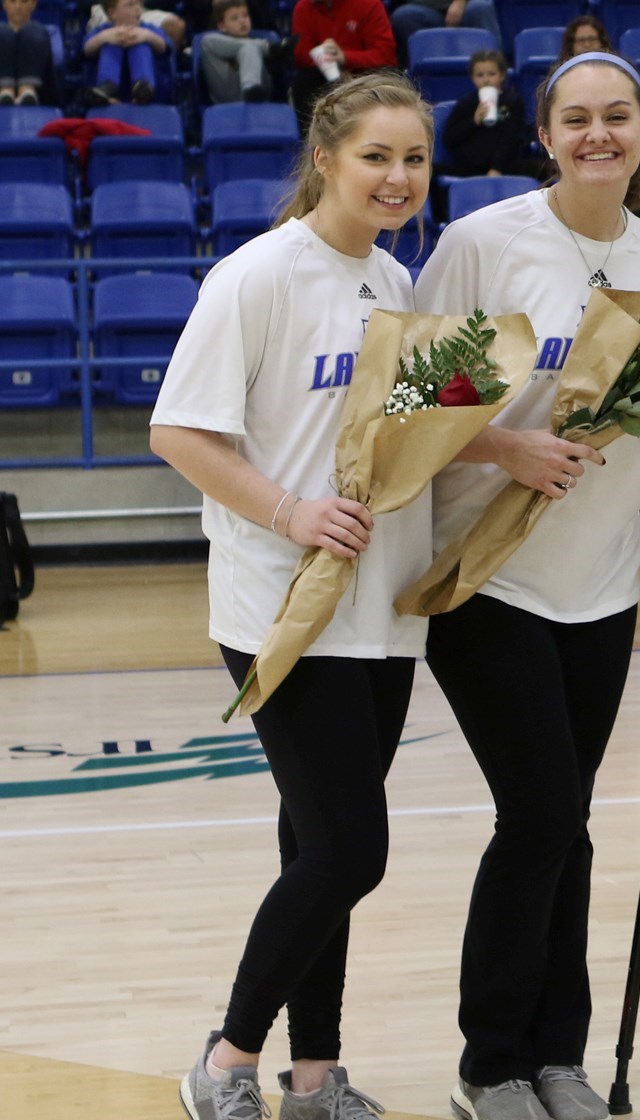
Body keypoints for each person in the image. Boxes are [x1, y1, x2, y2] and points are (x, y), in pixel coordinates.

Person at [415, 50, 640, 1120]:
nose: (597, 135)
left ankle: (556, 1056)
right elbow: (411, 405)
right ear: (543, 134)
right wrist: (506, 449)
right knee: (537, 815)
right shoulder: (482, 244)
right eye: (575, 119)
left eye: (616, 117)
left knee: (567, 821)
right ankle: (488, 1064)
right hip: (487, 574)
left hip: (603, 578)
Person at [148, 71, 433, 1120]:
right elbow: (179, 432)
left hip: (384, 610)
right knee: (353, 847)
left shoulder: (396, 286)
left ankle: (316, 1073)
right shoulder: (256, 276)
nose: (396, 178)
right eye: (375, 157)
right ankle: (224, 1058)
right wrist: (290, 513)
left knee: (317, 845)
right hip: (283, 606)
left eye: (412, 159)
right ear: (326, 159)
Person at [435, 49, 545, 220]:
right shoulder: (466, 103)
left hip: (505, 166)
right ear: (472, 78)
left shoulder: (512, 101)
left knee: (544, 168)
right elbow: (450, 139)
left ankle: (538, 216)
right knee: (430, 171)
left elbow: (512, 138)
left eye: (491, 74)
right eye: (480, 75)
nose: (486, 79)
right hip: (470, 168)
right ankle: (440, 222)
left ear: (502, 76)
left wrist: (497, 168)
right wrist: (473, 121)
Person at [289, 0, 395, 133]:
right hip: (325, 75)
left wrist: (345, 58)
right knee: (304, 81)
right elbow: (302, 55)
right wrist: (332, 63)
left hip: (365, 75)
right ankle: (311, 144)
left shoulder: (369, 4)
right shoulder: (303, 7)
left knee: (385, 77)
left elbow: (385, 55)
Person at [83, 0, 170, 105]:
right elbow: (86, 49)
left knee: (139, 43)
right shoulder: (102, 30)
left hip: (151, 90)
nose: (138, 9)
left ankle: (143, 87)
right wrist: (103, 37)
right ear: (112, 13)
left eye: (139, 4)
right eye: (130, 4)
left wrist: (148, 36)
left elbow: (165, 47)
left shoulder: (148, 29)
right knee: (111, 43)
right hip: (114, 90)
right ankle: (107, 88)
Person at [388, 0, 502, 68]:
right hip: (423, 10)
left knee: (480, 7)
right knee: (403, 16)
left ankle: (496, 74)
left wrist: (459, 3)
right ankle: (426, 80)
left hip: (467, 7)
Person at [202, 0, 273, 103]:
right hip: (227, 100)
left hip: (261, 98)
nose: (242, 21)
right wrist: (267, 48)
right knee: (249, 46)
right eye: (234, 18)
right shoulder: (211, 41)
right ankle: (250, 91)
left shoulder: (256, 42)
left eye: (245, 15)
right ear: (222, 26)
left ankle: (251, 91)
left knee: (249, 47)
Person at [0, 0, 54, 106]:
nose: (18, 6)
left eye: (24, 1)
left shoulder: (43, 33)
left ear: (33, 4)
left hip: (40, 97)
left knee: (34, 31)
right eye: (12, 1)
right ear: (4, 4)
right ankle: (5, 91)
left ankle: (27, 91)